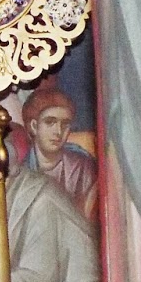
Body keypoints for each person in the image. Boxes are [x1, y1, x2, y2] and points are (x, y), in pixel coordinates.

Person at [22, 87, 97, 215]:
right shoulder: (22, 173)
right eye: (50, 122)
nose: (58, 131)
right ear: (34, 126)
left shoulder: (82, 167)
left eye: (65, 124)